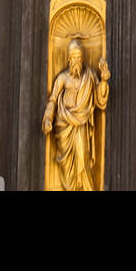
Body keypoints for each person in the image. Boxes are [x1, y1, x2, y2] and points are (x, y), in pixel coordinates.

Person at [42, 39, 110, 191]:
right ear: (68, 59)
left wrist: (104, 80)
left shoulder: (90, 75)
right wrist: (48, 118)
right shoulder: (62, 78)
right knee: (66, 167)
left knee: (83, 160)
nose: (76, 60)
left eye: (79, 57)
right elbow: (53, 99)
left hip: (81, 124)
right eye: (74, 57)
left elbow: (100, 97)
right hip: (63, 126)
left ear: (83, 58)